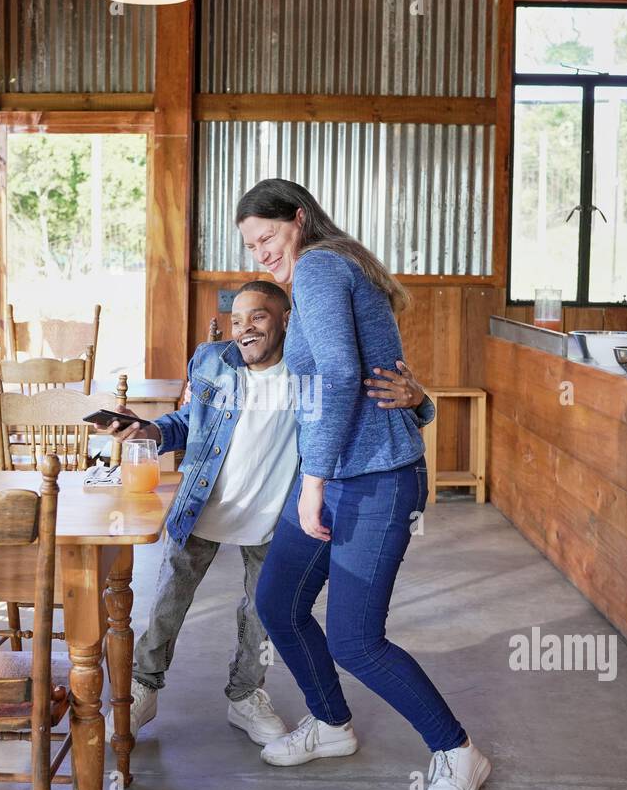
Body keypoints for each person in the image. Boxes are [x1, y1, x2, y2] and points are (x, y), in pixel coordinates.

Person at [238, 178, 491, 790]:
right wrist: (421, 404)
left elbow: (346, 375)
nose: (261, 252)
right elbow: (383, 374)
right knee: (278, 601)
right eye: (250, 244)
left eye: (267, 236)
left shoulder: (321, 268)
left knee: (355, 638)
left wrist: (313, 483)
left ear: (299, 219)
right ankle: (329, 723)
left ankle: (458, 752)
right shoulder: (330, 267)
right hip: (335, 471)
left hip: (371, 480)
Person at [99, 281, 433, 746]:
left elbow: (368, 414)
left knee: (261, 611)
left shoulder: (312, 373)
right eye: (237, 320)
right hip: (203, 504)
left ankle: (245, 694)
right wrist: (149, 430)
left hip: (273, 516)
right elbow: (189, 421)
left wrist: (421, 401)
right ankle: (143, 686)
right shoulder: (212, 360)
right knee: (168, 603)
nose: (244, 329)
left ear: (285, 320)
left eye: (257, 317)